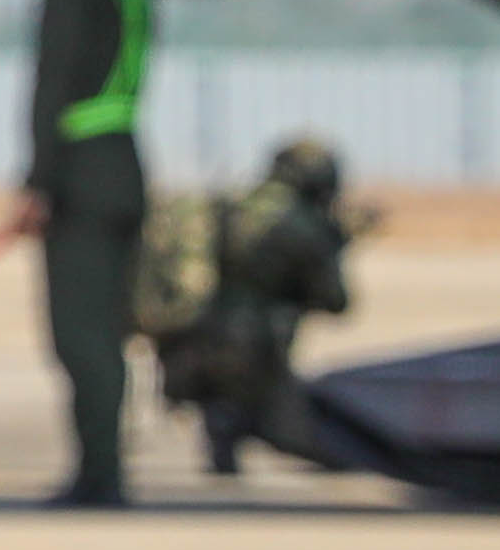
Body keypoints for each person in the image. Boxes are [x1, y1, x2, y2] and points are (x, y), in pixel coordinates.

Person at [2, 0, 154, 507]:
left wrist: (38, 183)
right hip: (121, 163)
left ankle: (101, 474)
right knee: (104, 331)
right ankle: (102, 466)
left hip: (80, 173)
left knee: (80, 334)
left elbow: (54, 89)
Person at [154, 133, 367, 476]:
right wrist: (331, 248)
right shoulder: (300, 224)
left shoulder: (232, 205)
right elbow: (335, 301)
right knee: (332, 446)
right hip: (254, 352)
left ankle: (226, 418)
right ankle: (242, 418)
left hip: (193, 348)